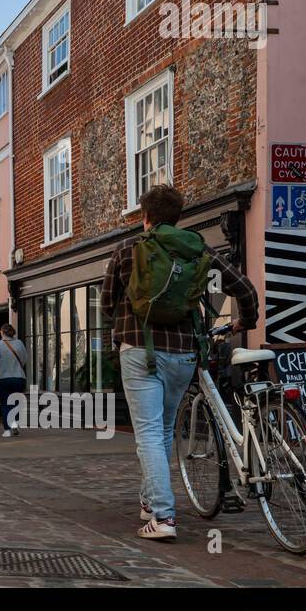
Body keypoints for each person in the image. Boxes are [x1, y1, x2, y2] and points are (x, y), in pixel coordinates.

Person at [102, 184, 259, 542]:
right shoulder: (196, 248)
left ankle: (163, 518)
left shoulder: (128, 249)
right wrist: (245, 321)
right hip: (185, 354)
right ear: (177, 217)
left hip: (140, 352)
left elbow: (108, 303)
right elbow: (244, 289)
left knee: (149, 436)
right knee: (163, 432)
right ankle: (149, 501)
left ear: (145, 217)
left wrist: (124, 324)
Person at [0, 324, 29, 438]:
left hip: (1, 378)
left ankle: (7, 430)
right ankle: (14, 425)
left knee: (5, 404)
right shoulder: (19, 343)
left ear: (2, 332)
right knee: (16, 403)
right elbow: (24, 359)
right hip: (18, 377)